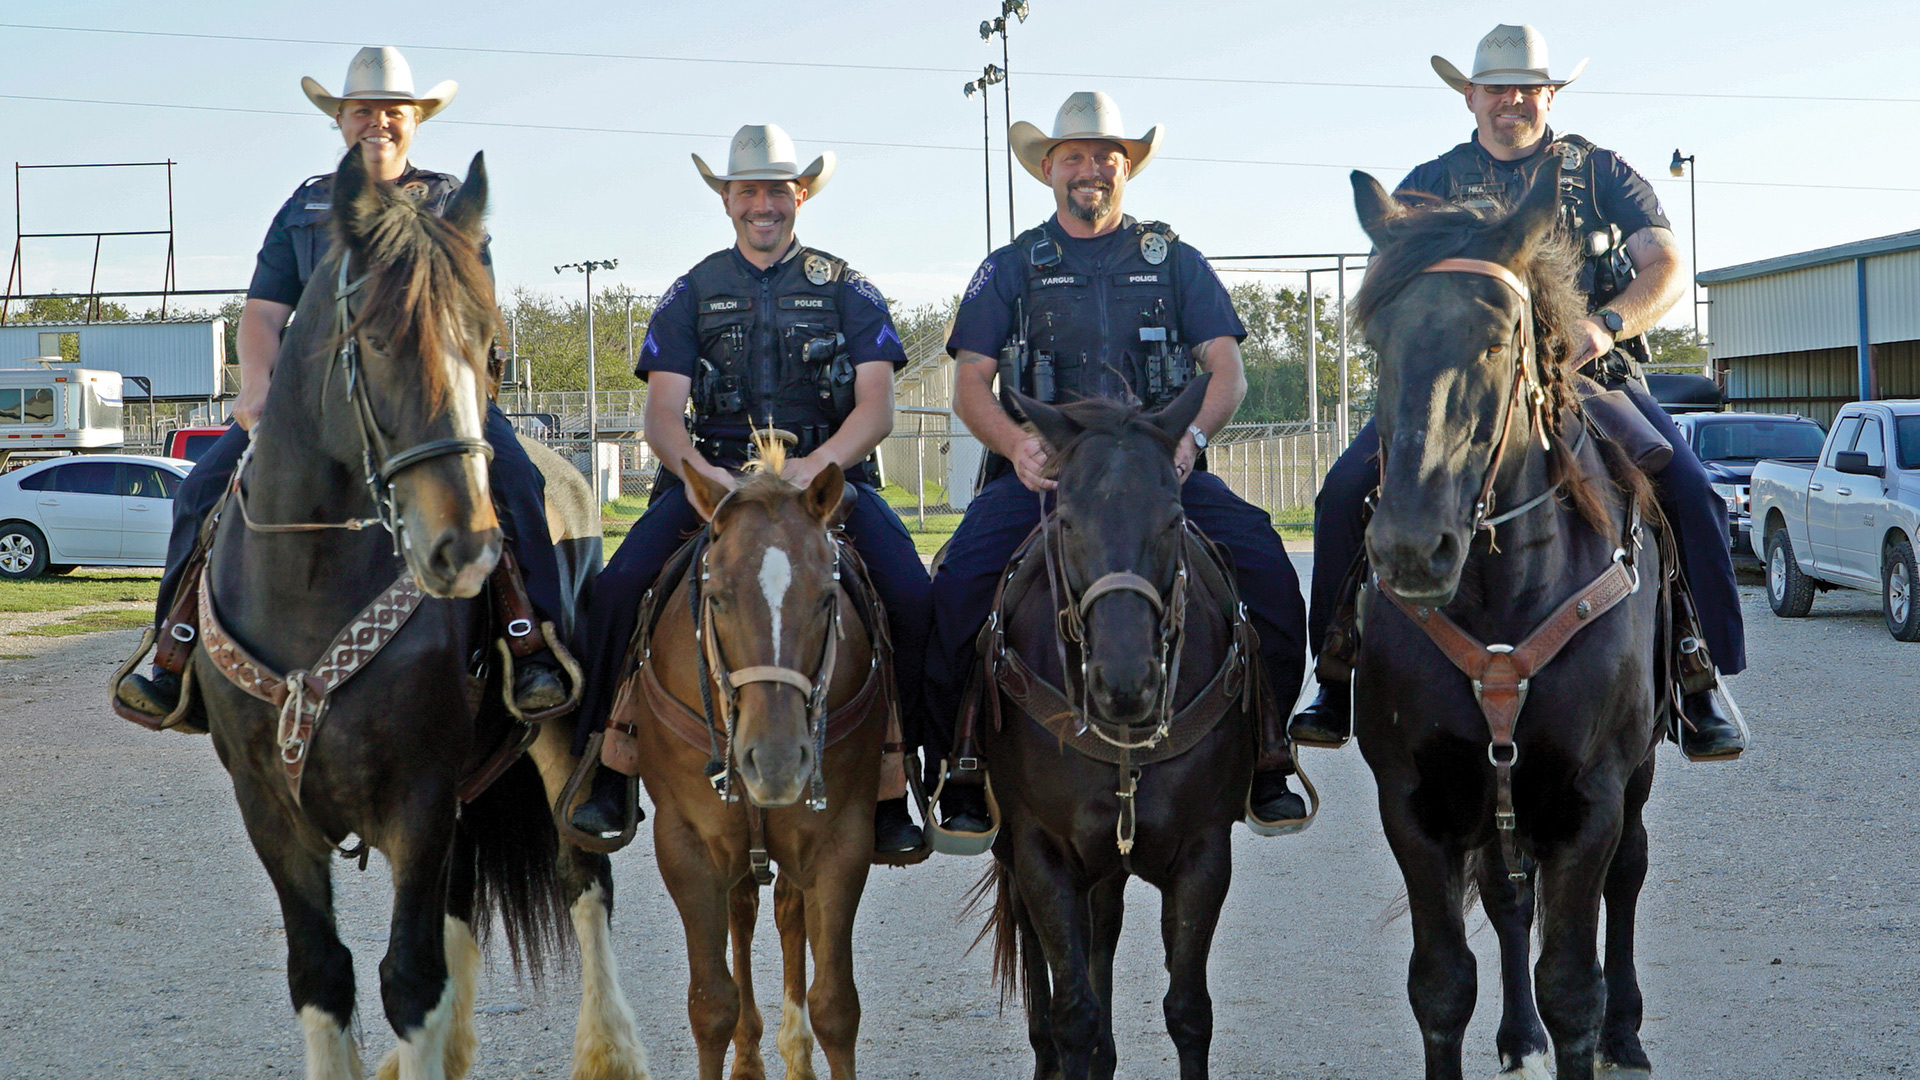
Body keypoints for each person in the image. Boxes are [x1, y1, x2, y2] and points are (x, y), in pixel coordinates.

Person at [1290, 24, 1748, 760]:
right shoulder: (1430, 182)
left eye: (1527, 87)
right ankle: (1335, 669)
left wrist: (1604, 325)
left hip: (1588, 375)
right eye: (1496, 88)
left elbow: (1663, 266)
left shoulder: (1601, 173)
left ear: (1549, 94)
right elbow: (1394, 283)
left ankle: (1699, 672)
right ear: (1469, 97)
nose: (1512, 100)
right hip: (1463, 384)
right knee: (1343, 493)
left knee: (1684, 485)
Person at [114, 46, 571, 721]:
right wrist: (257, 389)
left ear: (415, 120)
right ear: (340, 120)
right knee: (201, 494)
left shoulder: (447, 200)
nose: (378, 123)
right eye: (364, 111)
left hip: (430, 398)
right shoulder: (306, 205)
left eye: (394, 112)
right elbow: (264, 314)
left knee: (519, 486)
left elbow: (474, 312)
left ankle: (529, 643)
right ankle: (174, 651)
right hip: (309, 406)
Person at [926, 92, 1310, 832]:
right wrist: (1015, 444)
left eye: (1107, 155)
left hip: (1158, 471)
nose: (1091, 169)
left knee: (1266, 570)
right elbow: (970, 382)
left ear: (1126, 167)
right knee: (956, 592)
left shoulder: (1176, 262)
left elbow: (1226, 371)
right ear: (1048, 169)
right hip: (1048, 473)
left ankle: (1267, 751)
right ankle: (962, 763)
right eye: (1075, 155)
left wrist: (1190, 440)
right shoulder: (1009, 268)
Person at [567, 125, 934, 855]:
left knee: (916, 599)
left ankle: (909, 775)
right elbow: (663, 414)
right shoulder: (693, 291)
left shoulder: (849, 288)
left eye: (777, 190)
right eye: (748, 191)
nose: (763, 204)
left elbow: (878, 404)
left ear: (799, 196)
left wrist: (817, 464)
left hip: (828, 487)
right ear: (727, 200)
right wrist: (703, 477)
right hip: (718, 483)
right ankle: (606, 767)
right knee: (614, 594)